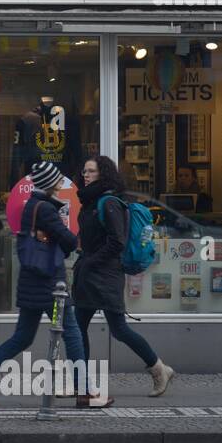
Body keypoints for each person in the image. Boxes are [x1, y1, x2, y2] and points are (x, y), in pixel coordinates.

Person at [0, 162, 110, 409]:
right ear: (49, 182)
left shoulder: (32, 206)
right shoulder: (44, 209)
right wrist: (67, 242)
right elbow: (67, 239)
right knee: (72, 333)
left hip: (32, 284)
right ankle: (85, 391)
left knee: (22, 337)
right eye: (57, 179)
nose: (60, 182)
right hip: (50, 286)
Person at [75, 156, 176, 397]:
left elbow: (117, 242)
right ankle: (81, 385)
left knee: (118, 329)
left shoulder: (109, 202)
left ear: (103, 174)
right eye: (85, 170)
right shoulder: (90, 201)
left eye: (91, 171)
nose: (85, 175)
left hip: (105, 274)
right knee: (78, 329)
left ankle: (158, 368)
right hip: (89, 272)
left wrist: (91, 260)